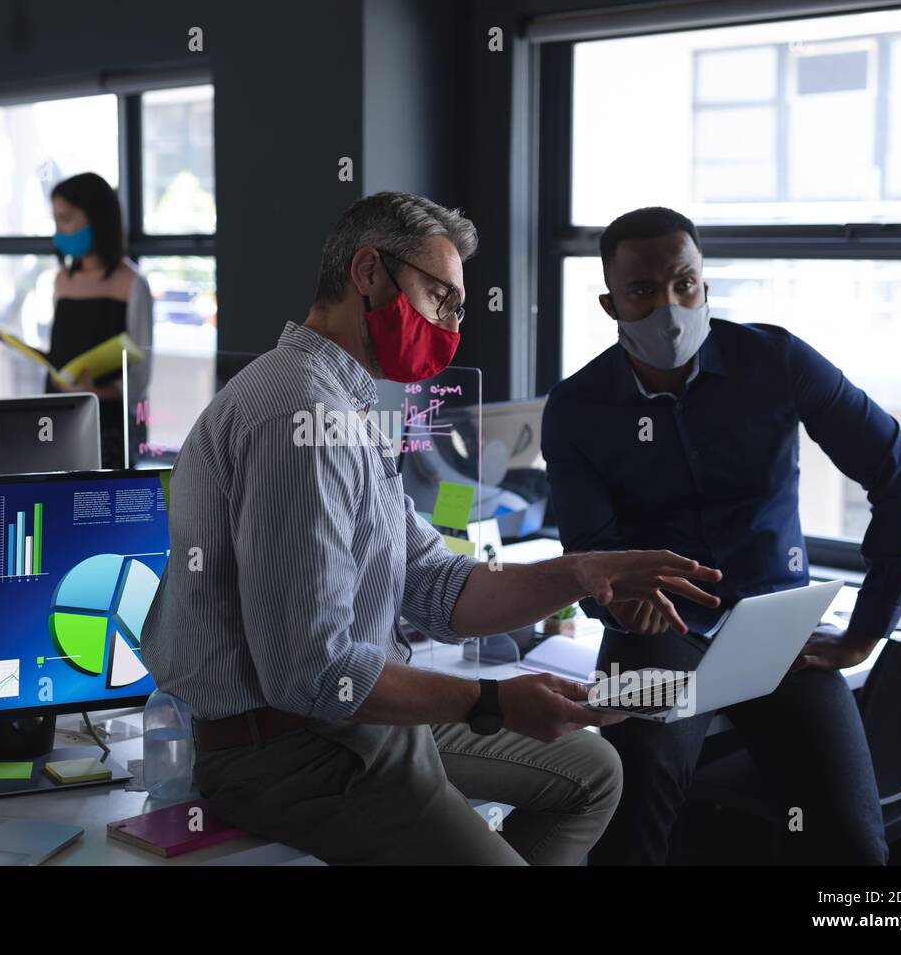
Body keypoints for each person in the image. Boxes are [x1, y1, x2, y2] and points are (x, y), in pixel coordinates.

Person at [141, 192, 722, 865]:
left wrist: (582, 572)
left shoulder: (347, 406)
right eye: (440, 297)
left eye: (457, 307)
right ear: (368, 273)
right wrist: (493, 702)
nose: (449, 323)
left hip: (349, 722)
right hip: (287, 750)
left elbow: (434, 584)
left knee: (593, 772)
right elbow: (312, 673)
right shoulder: (299, 415)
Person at [542, 206, 901, 865]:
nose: (669, 307)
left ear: (705, 285)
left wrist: (868, 629)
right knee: (629, 813)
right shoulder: (578, 407)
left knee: (851, 840)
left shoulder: (774, 360)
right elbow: (588, 555)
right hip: (655, 632)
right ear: (611, 303)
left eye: (684, 284)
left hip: (775, 629)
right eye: (643, 291)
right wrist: (614, 598)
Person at [0, 171, 153, 467]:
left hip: (106, 426)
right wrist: (0, 338)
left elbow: (141, 373)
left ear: (97, 219)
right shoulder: (62, 280)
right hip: (57, 417)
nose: (59, 230)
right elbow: (60, 357)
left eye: (66, 219)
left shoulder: (133, 284)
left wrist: (97, 392)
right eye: (55, 220)